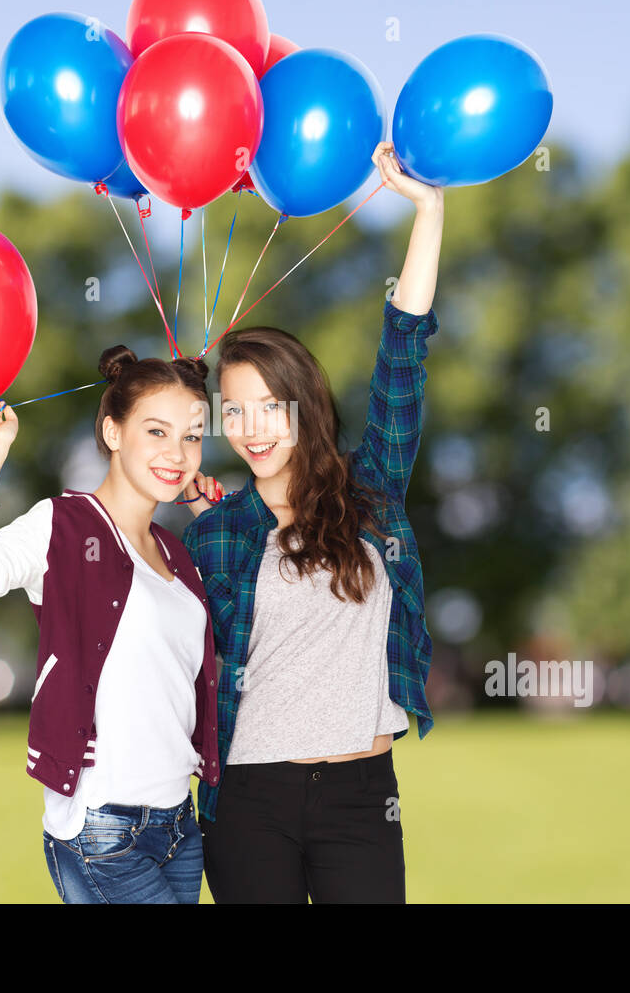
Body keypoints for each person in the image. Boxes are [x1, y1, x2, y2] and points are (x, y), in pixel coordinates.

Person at [179, 141, 443, 903]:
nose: (252, 428)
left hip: (362, 792)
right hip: (250, 796)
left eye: (270, 406)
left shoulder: (373, 491)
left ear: (305, 405)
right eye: (234, 411)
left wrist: (428, 210)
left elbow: (403, 355)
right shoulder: (217, 533)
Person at [0, 345, 221, 903]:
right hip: (103, 827)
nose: (178, 453)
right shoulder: (61, 524)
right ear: (112, 433)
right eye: (156, 431)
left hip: (180, 824)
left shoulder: (178, 553)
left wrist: (216, 522)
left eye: (191, 435)